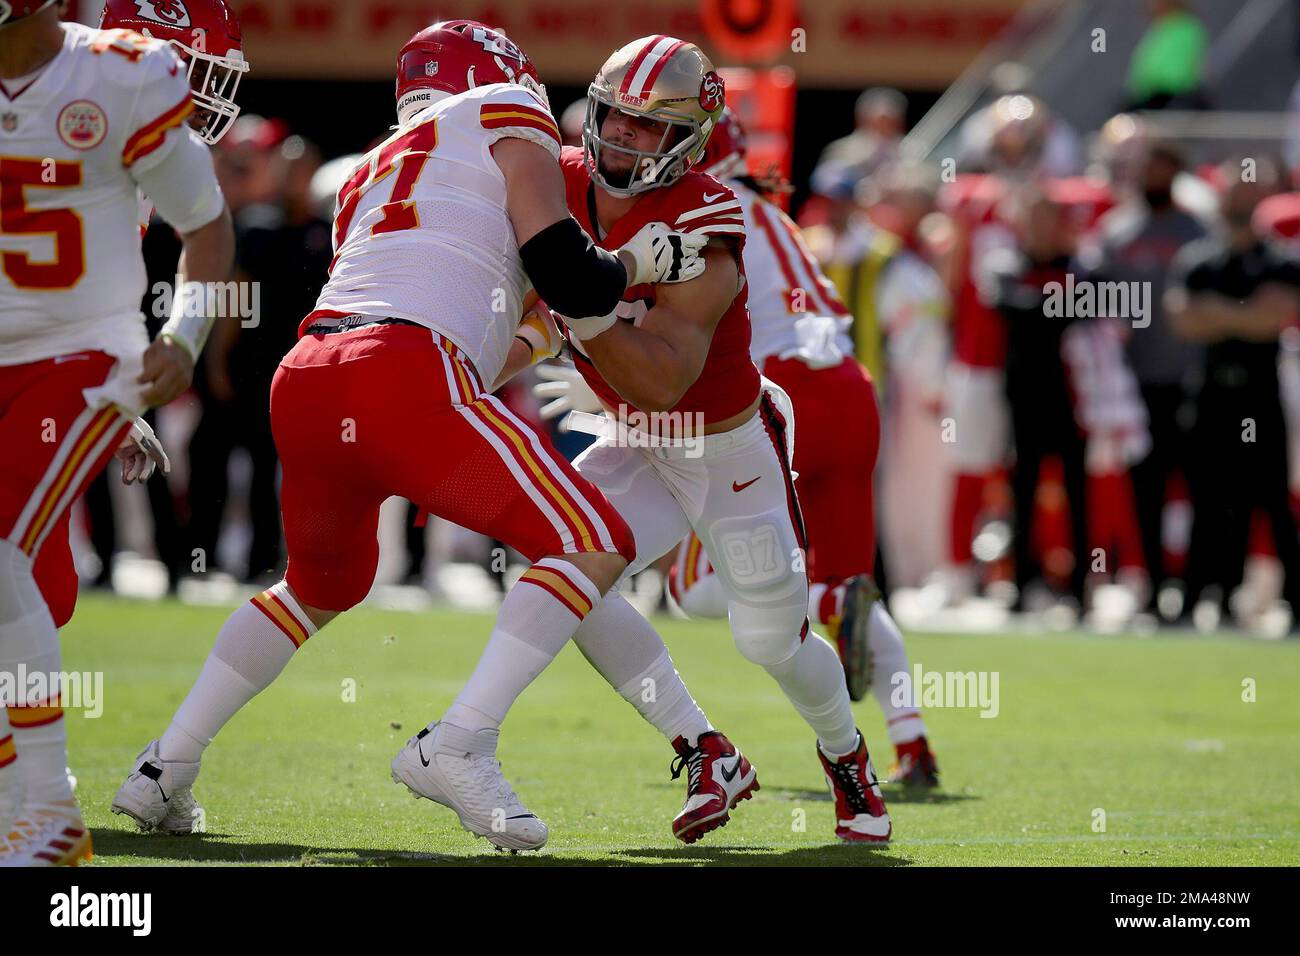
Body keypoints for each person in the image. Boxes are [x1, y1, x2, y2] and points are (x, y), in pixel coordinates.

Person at [110, 20, 748, 852]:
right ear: (498, 75)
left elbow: (467, 292)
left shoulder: (368, 171)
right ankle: (460, 741)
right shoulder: (507, 110)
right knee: (592, 540)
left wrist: (546, 334)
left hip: (310, 373)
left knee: (317, 587)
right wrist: (634, 266)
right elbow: (561, 270)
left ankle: (165, 768)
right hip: (403, 367)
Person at [535, 37, 892, 841]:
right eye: (614, 120)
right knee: (561, 574)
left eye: (646, 129)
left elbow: (660, 374)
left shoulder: (709, 214)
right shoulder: (558, 180)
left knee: (768, 637)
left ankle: (847, 757)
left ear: (690, 142)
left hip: (725, 442)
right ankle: (704, 751)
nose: (621, 141)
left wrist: (583, 319)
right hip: (638, 435)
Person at [0, 1, 236, 864]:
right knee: (31, 592)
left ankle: (49, 813)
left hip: (80, 361)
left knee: (6, 566)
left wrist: (181, 337)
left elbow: (207, 225)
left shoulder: (117, 76)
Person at [661, 110, 941, 786]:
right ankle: (912, 743)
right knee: (852, 584)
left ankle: (821, 607)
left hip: (781, 395)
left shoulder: (704, 209)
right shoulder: (767, 209)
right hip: (850, 389)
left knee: (688, 586)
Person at [1168, 157, 1300, 621]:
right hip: (1210, 395)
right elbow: (1184, 319)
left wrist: (1218, 313)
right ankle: (1204, 597)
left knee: (1271, 500)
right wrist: (1244, 314)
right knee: (1207, 499)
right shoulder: (1198, 259)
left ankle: (1292, 602)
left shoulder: (1281, 260)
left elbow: (1275, 318)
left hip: (1260, 395)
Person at [1081, 140, 1207, 613]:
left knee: (1199, 487)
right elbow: (1090, 296)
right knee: (1145, 489)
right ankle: (1150, 584)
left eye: (1160, 166)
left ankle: (1197, 589)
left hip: (1192, 378)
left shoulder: (1197, 229)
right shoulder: (1116, 233)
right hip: (1136, 386)